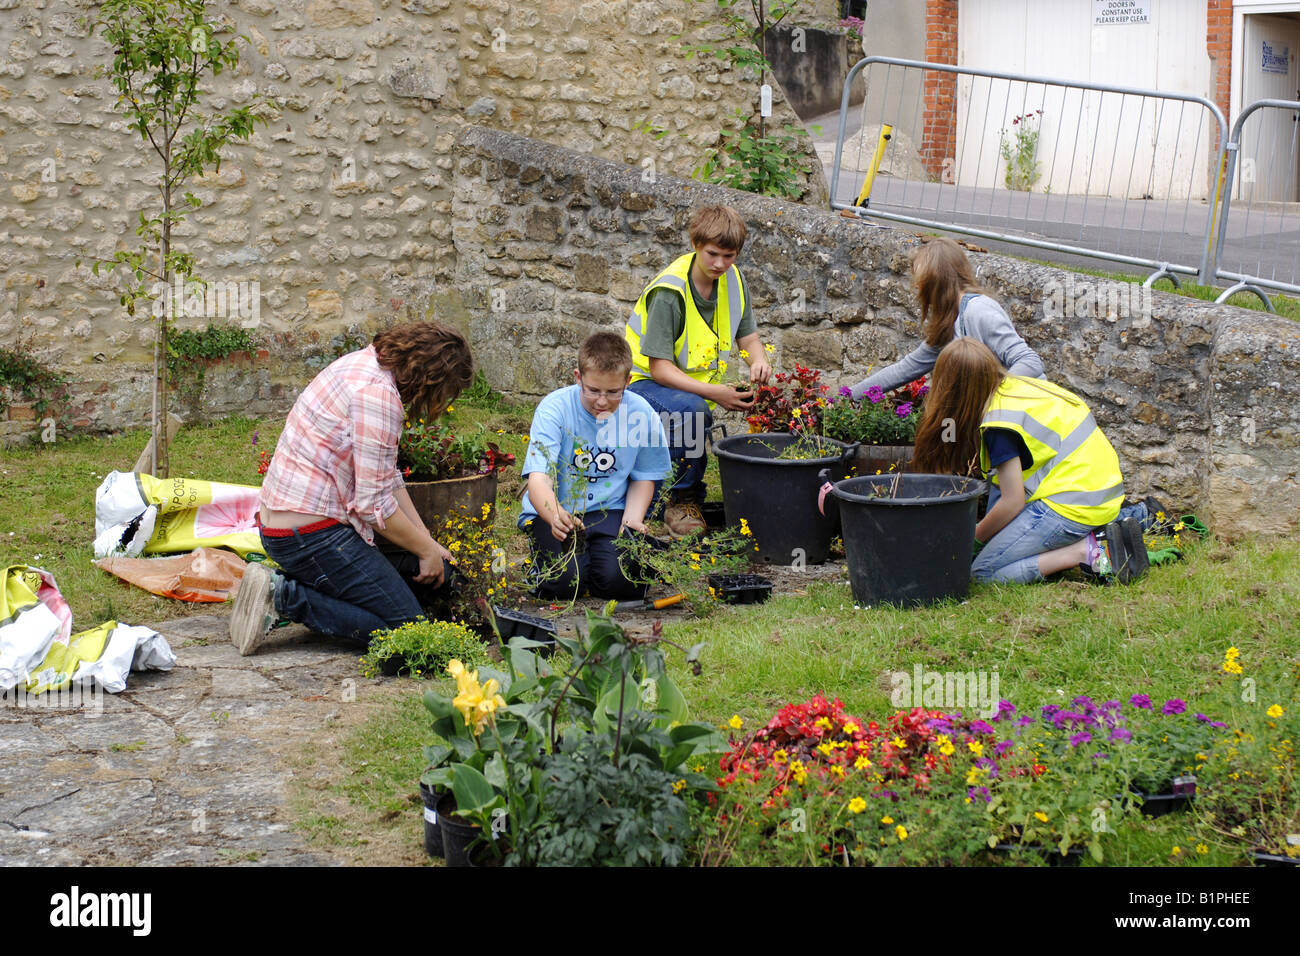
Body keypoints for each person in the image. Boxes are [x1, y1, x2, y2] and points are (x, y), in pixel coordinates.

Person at [229, 321, 475, 655]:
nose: (443, 405)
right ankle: (284, 597)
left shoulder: (365, 364)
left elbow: (387, 478)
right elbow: (372, 505)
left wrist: (427, 544)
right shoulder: (379, 398)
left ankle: (292, 589)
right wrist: (425, 550)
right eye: (446, 395)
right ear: (433, 379)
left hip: (286, 527)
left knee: (396, 596)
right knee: (409, 632)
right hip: (311, 536)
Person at [913, 337, 1148, 584]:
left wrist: (972, 539)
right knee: (995, 546)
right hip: (1099, 494)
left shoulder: (999, 426)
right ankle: (1106, 535)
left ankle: (1090, 552)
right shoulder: (1017, 389)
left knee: (981, 573)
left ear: (954, 389)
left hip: (1072, 505)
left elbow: (1012, 502)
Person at [625, 204, 773, 538]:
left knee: (694, 406)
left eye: (729, 255)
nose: (721, 264)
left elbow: (748, 338)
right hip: (639, 385)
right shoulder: (670, 292)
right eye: (713, 254)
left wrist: (759, 361)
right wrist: (714, 393)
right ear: (695, 244)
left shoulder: (733, 280)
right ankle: (681, 501)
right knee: (692, 411)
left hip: (685, 389)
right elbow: (660, 369)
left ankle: (676, 492)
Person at [519, 331, 671, 600]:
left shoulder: (642, 413)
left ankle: (619, 558)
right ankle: (544, 563)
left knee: (622, 585)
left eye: (613, 392)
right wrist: (554, 514)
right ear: (578, 378)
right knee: (563, 583)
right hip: (559, 508)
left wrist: (633, 518)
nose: (602, 401)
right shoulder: (554, 408)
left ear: (628, 381)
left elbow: (644, 476)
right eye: (593, 391)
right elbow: (539, 478)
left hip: (610, 509)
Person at [847, 237, 1044, 398]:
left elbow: (1030, 362)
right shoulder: (950, 320)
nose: (916, 288)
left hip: (1028, 418)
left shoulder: (979, 310)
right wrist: (846, 397)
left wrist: (993, 400)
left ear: (936, 280)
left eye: (920, 280)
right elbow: (906, 368)